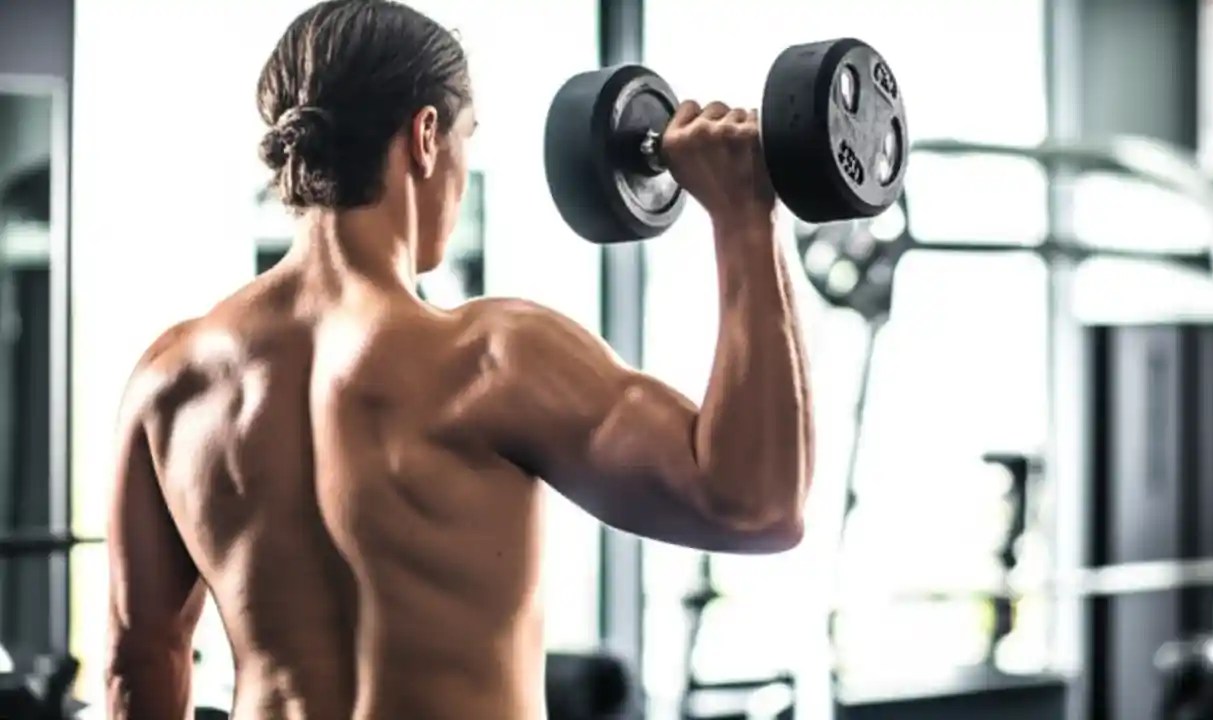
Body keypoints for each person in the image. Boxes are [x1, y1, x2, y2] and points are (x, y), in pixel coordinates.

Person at [104, 0, 813, 718]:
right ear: (426, 136)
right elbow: (757, 505)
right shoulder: (492, 361)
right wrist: (744, 216)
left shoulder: (171, 381)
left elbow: (139, 663)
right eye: (467, 138)